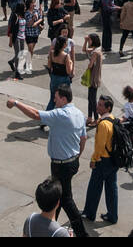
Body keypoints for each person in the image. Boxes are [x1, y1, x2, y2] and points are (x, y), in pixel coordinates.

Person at [6, 85, 89, 237]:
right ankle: (52, 225)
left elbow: (36, 114)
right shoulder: (79, 114)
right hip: (72, 162)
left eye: (56, 98)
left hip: (60, 165)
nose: (54, 101)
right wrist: (77, 157)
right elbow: (83, 139)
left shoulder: (60, 114)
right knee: (57, 196)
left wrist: (16, 103)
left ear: (64, 99)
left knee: (65, 200)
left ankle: (82, 234)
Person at [82, 93, 119, 225]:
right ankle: (112, 215)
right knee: (111, 189)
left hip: (102, 161)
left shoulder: (103, 125)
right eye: (98, 103)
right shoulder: (113, 119)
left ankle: (89, 213)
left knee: (94, 188)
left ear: (108, 108)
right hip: (113, 161)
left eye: (101, 105)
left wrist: (93, 160)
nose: (98, 106)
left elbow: (99, 146)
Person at [81, 33, 102, 126]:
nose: (88, 41)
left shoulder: (95, 52)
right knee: (90, 98)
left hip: (93, 77)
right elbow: (84, 50)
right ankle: (90, 117)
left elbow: (90, 65)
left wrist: (87, 68)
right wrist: (85, 41)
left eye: (89, 40)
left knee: (92, 99)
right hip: (95, 76)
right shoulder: (96, 49)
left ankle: (96, 119)